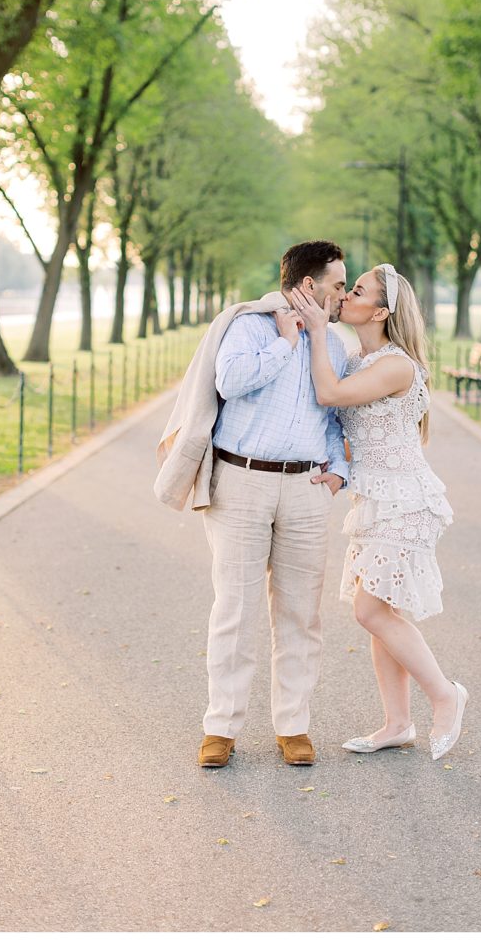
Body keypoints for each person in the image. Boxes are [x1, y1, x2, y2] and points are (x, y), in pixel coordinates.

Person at [156, 240, 351, 769]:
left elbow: (335, 416)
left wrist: (338, 471)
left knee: (300, 614)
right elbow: (231, 381)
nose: (343, 293)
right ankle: (221, 726)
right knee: (234, 609)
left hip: (307, 490)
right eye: (337, 284)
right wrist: (285, 344)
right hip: (240, 482)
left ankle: (293, 725)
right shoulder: (249, 327)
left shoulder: (336, 345)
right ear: (308, 286)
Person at [289, 263, 467, 762]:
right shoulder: (355, 360)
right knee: (380, 611)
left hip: (406, 501)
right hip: (373, 500)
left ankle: (446, 695)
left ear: (381, 311)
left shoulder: (395, 365)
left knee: (371, 610)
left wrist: (320, 331)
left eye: (358, 290)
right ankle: (397, 723)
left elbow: (329, 396)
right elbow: (339, 423)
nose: (345, 295)